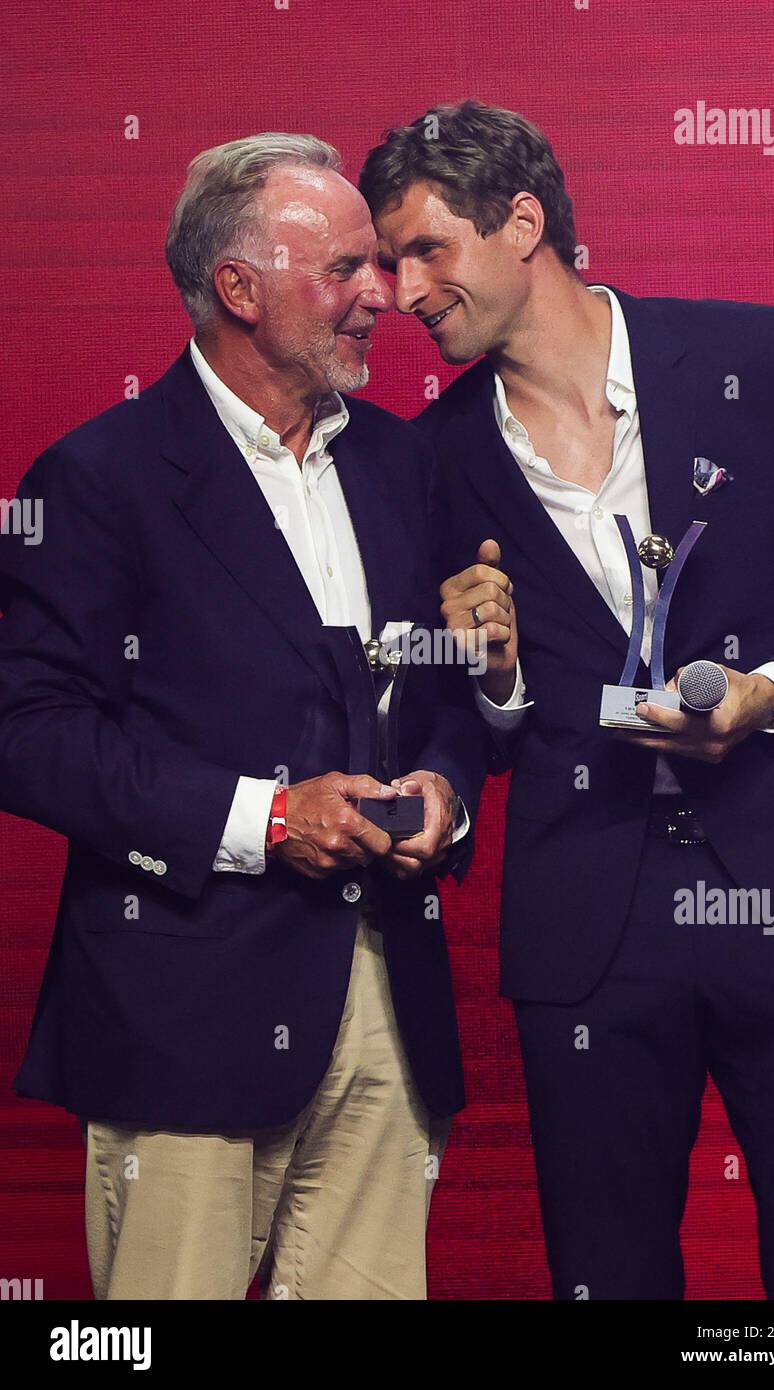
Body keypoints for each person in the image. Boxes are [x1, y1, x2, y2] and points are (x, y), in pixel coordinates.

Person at [360, 100, 774, 1300]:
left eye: (425, 248)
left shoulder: (760, 357)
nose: (401, 288)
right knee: (606, 1276)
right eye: (386, 260)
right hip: (588, 921)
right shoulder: (428, 458)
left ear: (522, 221)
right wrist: (491, 679)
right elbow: (444, 714)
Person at [0, 132, 486, 1301]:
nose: (383, 295)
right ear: (238, 287)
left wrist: (444, 787)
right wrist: (264, 818)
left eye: (379, 267)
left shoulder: (402, 466)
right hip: (183, 1022)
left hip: (386, 1010)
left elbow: (447, 697)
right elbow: (29, 734)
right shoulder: (98, 479)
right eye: (346, 271)